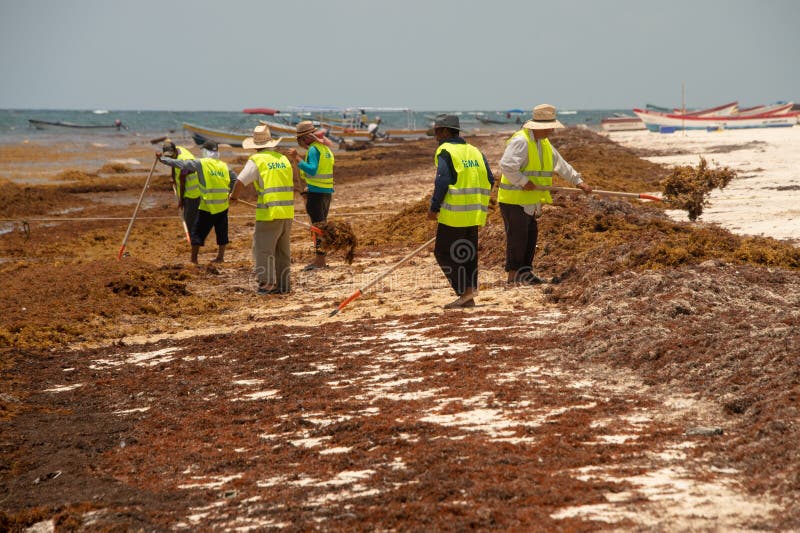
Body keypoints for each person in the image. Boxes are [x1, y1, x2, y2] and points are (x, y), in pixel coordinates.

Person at [498, 104, 592, 284]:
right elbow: (507, 166)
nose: (552, 131)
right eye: (550, 127)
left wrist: (578, 181)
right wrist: (524, 182)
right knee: (517, 238)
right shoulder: (521, 141)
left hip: (531, 199)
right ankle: (513, 276)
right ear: (540, 126)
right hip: (513, 199)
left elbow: (560, 164)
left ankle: (525, 273)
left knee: (530, 236)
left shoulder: (544, 143)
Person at [426, 114, 494, 309]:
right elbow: (490, 178)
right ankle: (469, 293)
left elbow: (442, 181)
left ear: (446, 131)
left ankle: (464, 293)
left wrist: (434, 208)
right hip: (474, 213)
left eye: (438, 131)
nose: (436, 135)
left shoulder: (445, 150)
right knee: (467, 252)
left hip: (454, 213)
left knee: (443, 252)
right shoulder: (474, 151)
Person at [229, 124, 294, 295]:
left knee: (263, 249)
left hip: (268, 212)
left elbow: (240, 181)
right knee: (282, 250)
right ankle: (284, 284)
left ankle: (267, 285)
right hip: (287, 211)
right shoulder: (282, 158)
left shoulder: (257, 160)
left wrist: (233, 197)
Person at [157, 140, 237, 264]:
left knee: (197, 233)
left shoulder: (201, 163)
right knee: (222, 233)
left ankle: (194, 260)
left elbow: (181, 164)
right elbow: (234, 178)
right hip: (222, 205)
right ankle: (220, 257)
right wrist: (230, 192)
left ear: (205, 151)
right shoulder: (223, 165)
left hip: (208, 205)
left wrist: (162, 160)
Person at [287, 120, 335, 271]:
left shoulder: (314, 149)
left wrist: (297, 158)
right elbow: (322, 171)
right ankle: (321, 258)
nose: (299, 144)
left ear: (304, 138)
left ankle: (320, 261)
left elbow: (313, 170)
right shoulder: (325, 149)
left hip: (317, 194)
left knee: (318, 227)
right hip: (326, 192)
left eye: (299, 140)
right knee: (321, 225)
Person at [160, 140, 201, 236]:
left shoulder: (184, 161)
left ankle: (193, 240)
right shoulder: (178, 150)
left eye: (171, 155)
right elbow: (173, 163)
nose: (170, 158)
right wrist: (173, 176)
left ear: (174, 150)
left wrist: (181, 200)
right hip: (187, 191)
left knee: (189, 219)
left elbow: (182, 181)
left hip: (193, 192)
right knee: (190, 217)